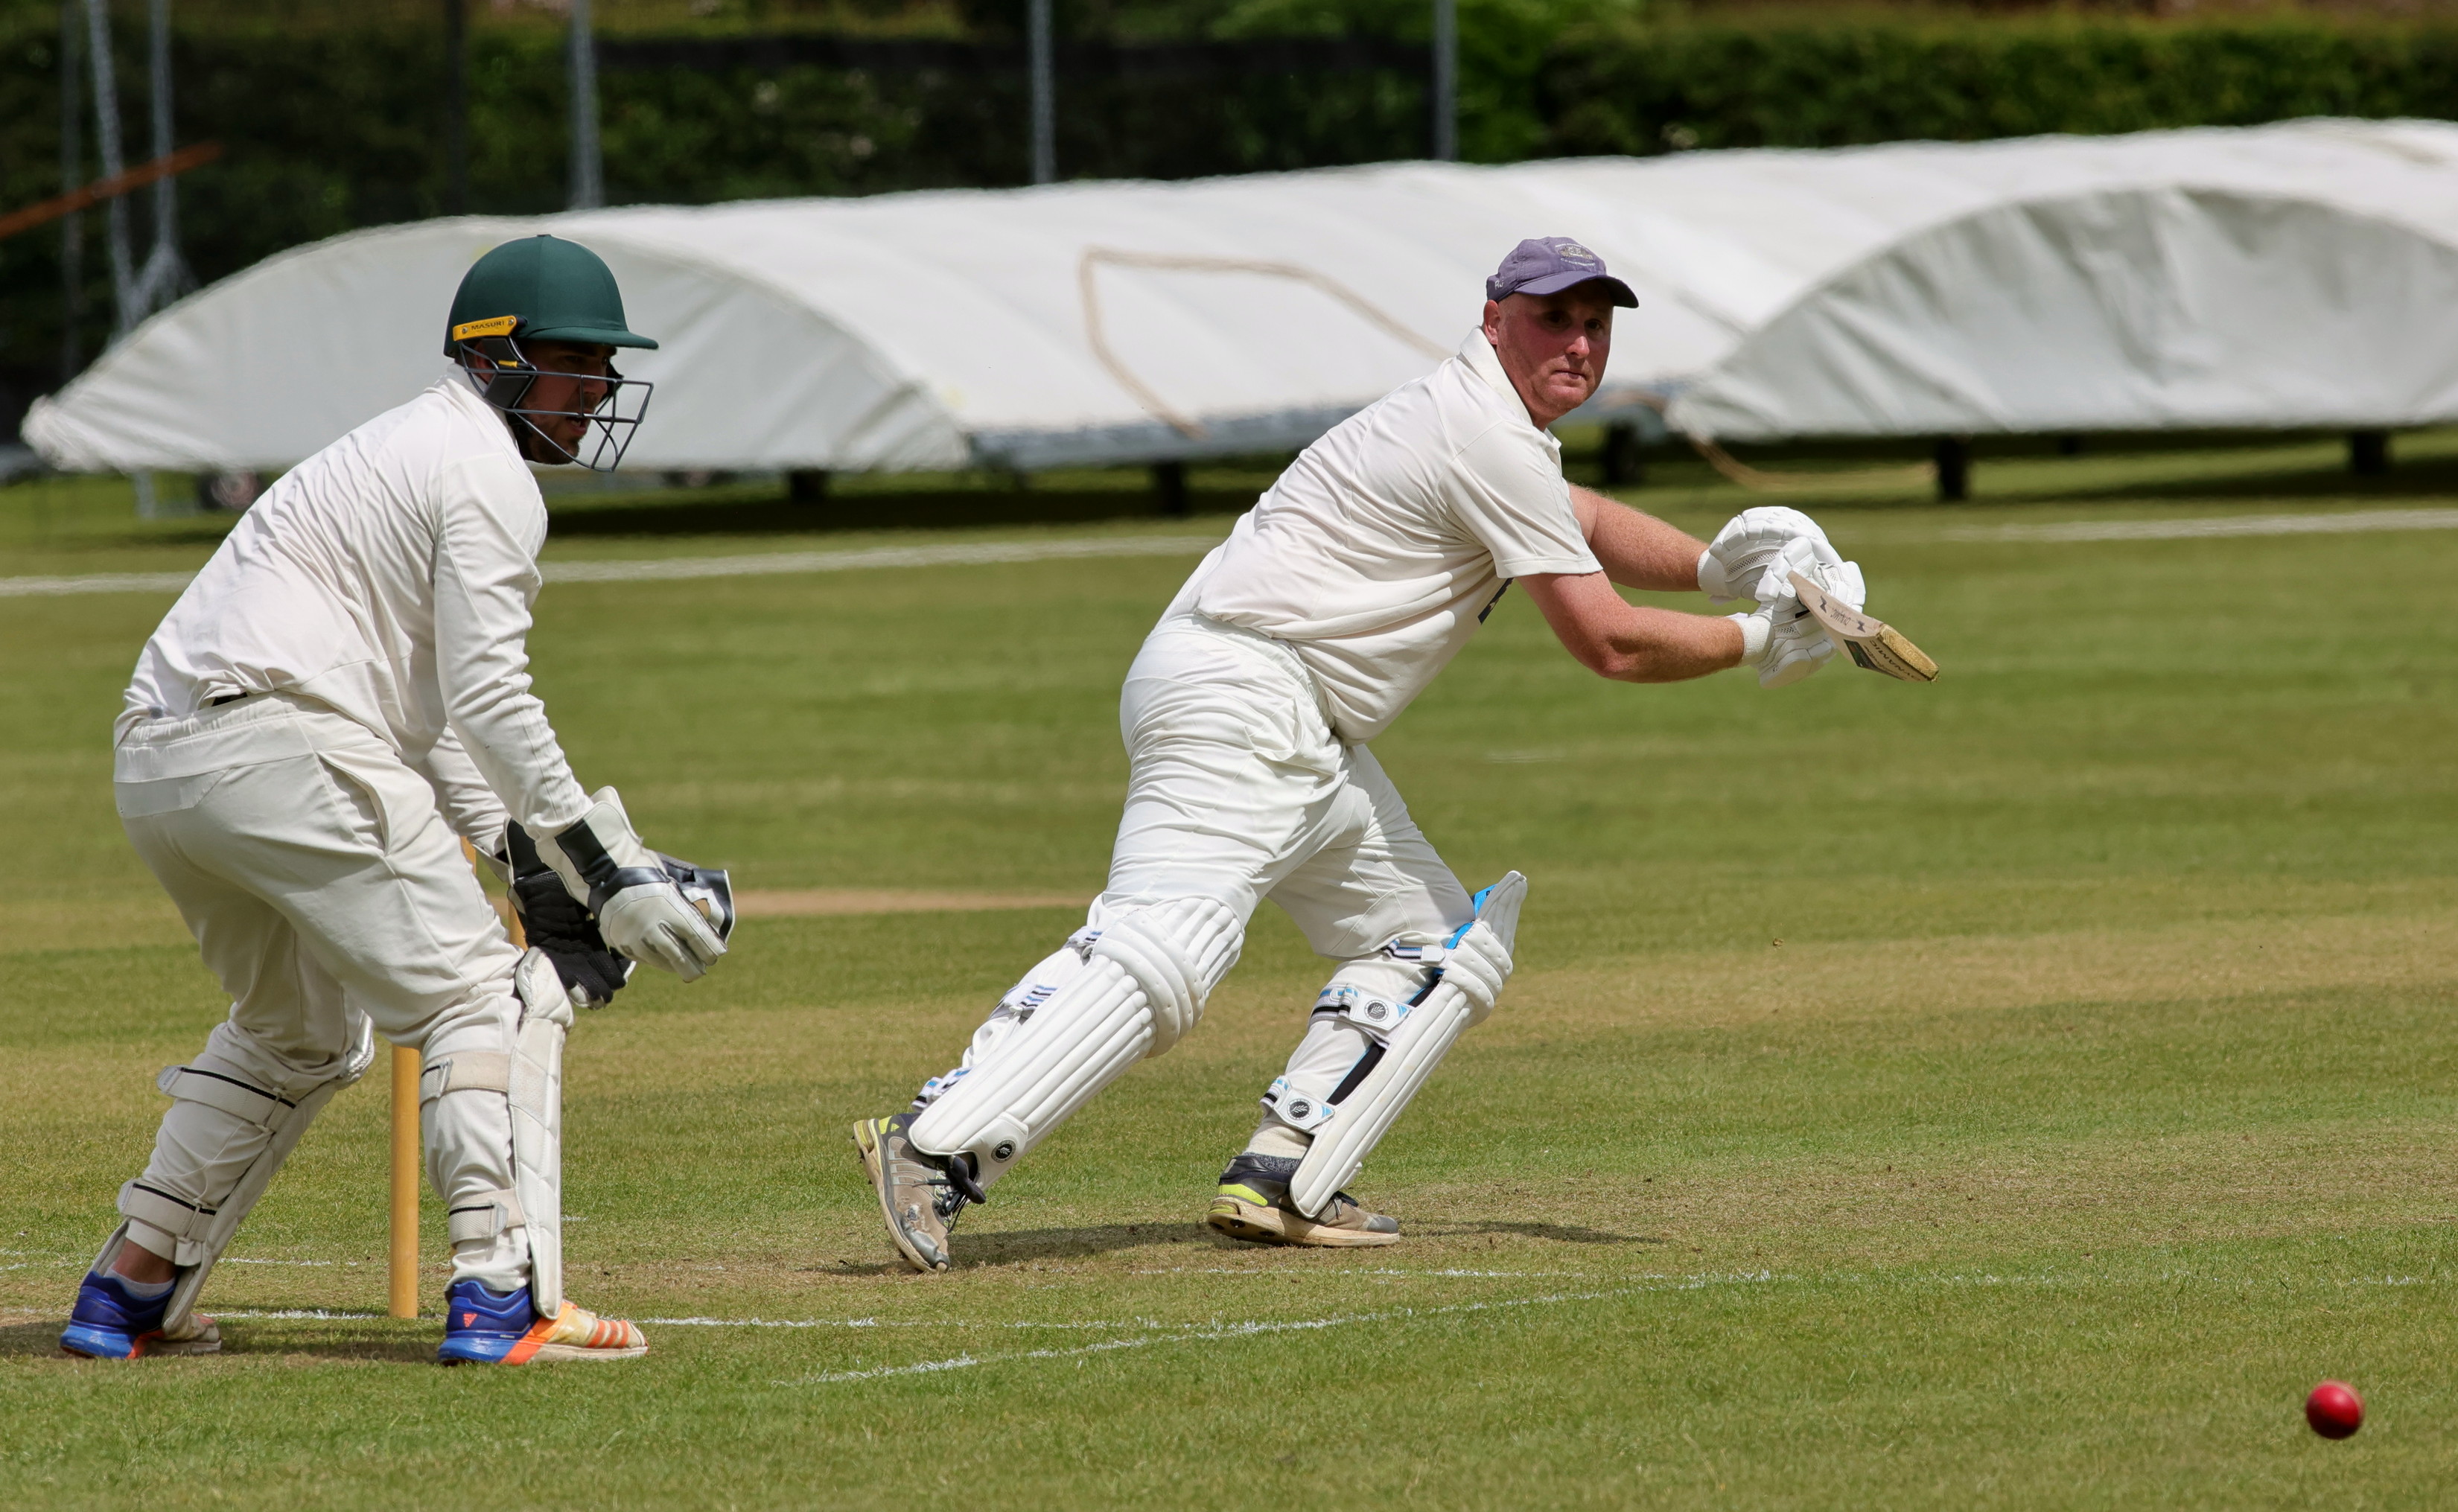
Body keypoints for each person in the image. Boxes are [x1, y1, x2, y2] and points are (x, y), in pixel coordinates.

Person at [852, 236, 1866, 1270]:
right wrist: (1762, 635)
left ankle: (1286, 1172)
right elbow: (1608, 643)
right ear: (1492, 318)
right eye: (1553, 318)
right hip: (1247, 692)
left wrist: (1711, 568)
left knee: (1431, 946)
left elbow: (1583, 518)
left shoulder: (1485, 425)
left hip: (1289, 714)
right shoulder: (1484, 433)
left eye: (1595, 325)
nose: (1577, 343)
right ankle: (936, 1147)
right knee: (1168, 947)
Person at [60, 235, 729, 1365]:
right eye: (576, 362)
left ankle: (131, 1289)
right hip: (282, 744)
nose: (599, 390)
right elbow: (493, 696)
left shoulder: (400, 449)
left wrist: (518, 849)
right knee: (482, 999)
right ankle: (500, 1297)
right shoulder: (484, 474)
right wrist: (601, 876)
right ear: (499, 357)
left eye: (605, 365)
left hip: (163, 765)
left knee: (299, 1031)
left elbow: (434, 716)